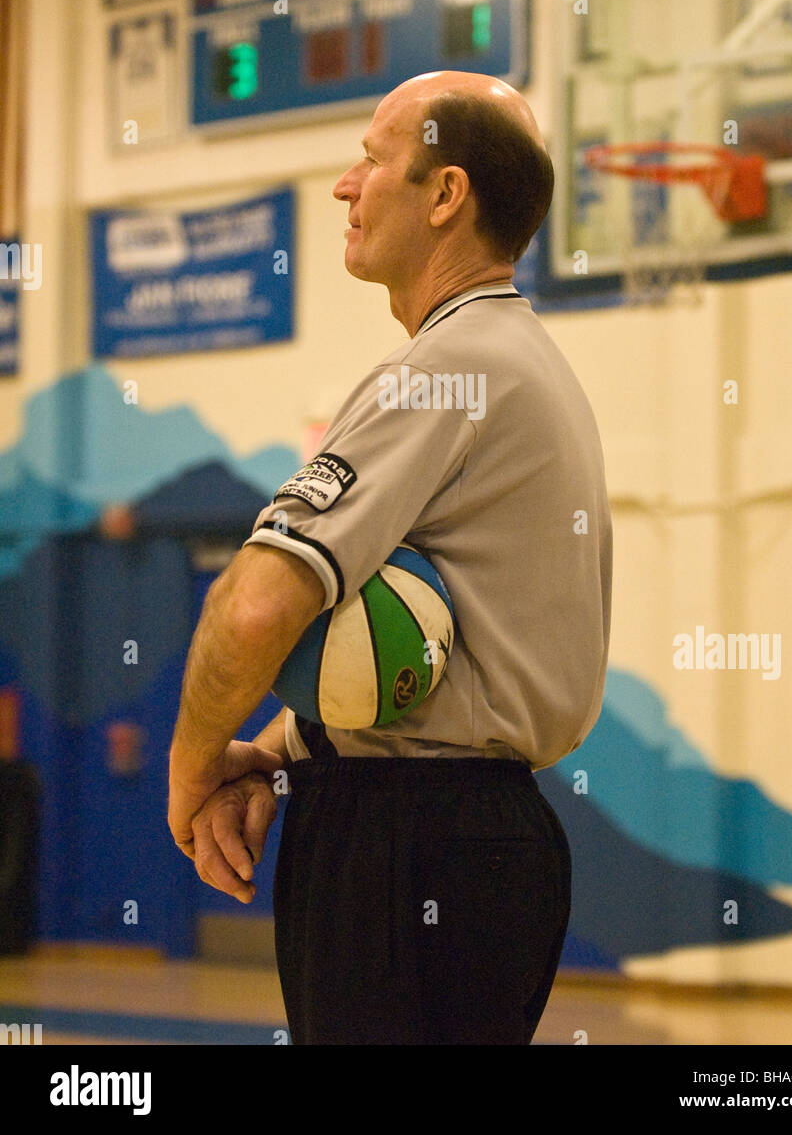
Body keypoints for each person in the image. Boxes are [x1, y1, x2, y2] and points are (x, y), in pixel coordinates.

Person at [168, 70, 613, 1044]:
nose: (343, 185)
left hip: (403, 843)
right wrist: (279, 750)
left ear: (446, 194)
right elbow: (442, 657)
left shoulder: (443, 373)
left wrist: (192, 767)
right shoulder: (530, 366)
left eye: (371, 159)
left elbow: (253, 609)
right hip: (483, 836)